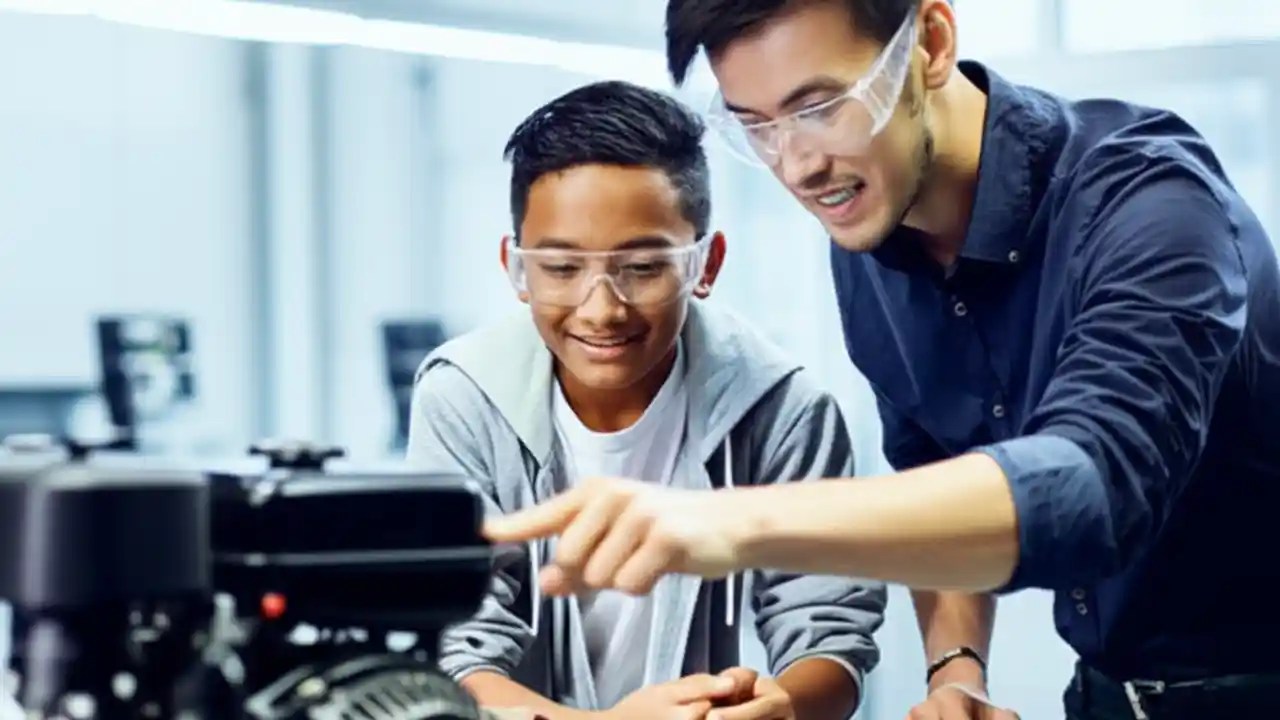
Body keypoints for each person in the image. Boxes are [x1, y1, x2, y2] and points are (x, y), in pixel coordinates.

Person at [483, 1, 1280, 719]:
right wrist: (956, 671)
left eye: (820, 107)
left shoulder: (1151, 202)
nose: (797, 166)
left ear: (930, 42)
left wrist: (738, 521)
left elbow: (1093, 486)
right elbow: (937, 459)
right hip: (1107, 695)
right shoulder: (868, 230)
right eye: (756, 125)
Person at [407, 80, 886, 720]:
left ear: (705, 264)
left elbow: (828, 625)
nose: (601, 309)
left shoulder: (784, 408)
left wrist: (786, 707)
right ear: (514, 267)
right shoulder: (462, 398)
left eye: (642, 268)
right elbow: (453, 647)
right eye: (560, 268)